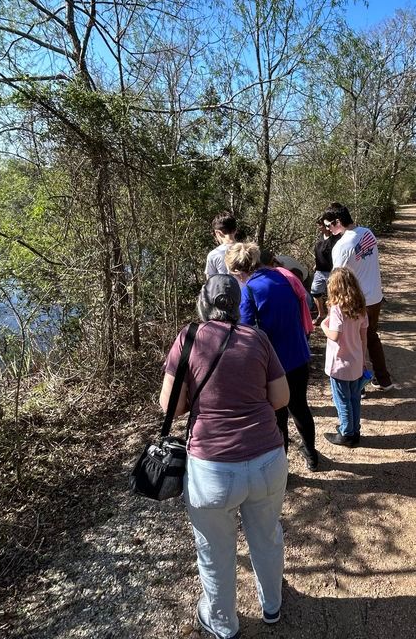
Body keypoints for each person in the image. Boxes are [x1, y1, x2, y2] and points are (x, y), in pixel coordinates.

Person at [159, 274, 289, 639]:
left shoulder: (188, 339)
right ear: (237, 305)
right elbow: (280, 399)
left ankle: (222, 623)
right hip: (266, 460)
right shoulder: (258, 338)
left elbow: (172, 406)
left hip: (211, 470)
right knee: (266, 535)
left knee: (214, 551)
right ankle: (272, 605)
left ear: (203, 301)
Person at [225, 242, 320, 471]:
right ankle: (311, 455)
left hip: (274, 363)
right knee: (299, 407)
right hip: (298, 352)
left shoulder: (249, 290)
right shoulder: (284, 276)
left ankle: (281, 466)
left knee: (278, 414)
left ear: (239, 271)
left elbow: (246, 331)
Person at [322, 202, 395, 390]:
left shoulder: (342, 247)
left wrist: (331, 308)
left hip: (355, 301)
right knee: (370, 337)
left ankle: (357, 384)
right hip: (375, 297)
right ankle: (383, 379)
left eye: (329, 225)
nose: (328, 230)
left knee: (352, 342)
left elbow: (336, 280)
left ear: (338, 222)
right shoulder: (367, 233)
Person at [320, 267, 371, 447]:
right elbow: (364, 336)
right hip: (356, 361)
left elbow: (334, 335)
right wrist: (364, 359)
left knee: (342, 399)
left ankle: (346, 433)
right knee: (354, 397)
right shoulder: (360, 307)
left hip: (339, 364)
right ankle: (355, 429)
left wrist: (322, 326)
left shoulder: (337, 308)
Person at [311, 220, 339, 325]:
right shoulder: (320, 237)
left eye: (320, 226)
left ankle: (331, 317)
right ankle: (321, 314)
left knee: (332, 295)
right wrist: (316, 263)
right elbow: (318, 251)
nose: (318, 228)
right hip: (319, 271)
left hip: (331, 272)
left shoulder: (336, 239)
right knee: (315, 292)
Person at [205, 212, 237, 278]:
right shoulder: (248, 251)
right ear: (235, 230)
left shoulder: (214, 255)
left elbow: (210, 281)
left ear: (218, 233)